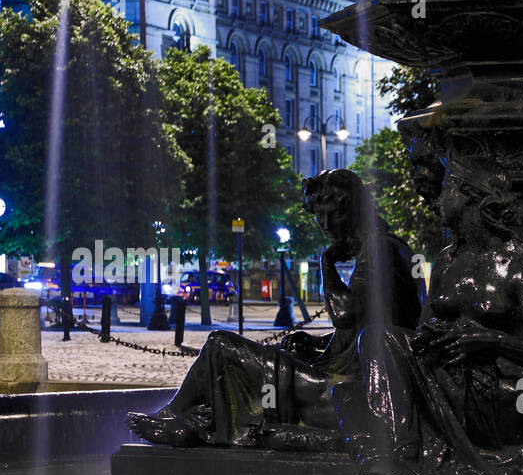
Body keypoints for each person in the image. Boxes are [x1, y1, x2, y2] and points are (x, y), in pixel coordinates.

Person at [125, 169, 420, 449]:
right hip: (356, 384)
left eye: (335, 214)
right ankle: (191, 423)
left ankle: (175, 418)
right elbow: (366, 328)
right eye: (320, 217)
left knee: (221, 344)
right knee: (245, 361)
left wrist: (326, 262)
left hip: (348, 393)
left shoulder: (379, 250)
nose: (327, 226)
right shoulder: (390, 247)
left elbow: (346, 314)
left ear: (356, 210)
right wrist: (317, 344)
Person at [334, 160, 523, 475]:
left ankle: (395, 458)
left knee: (374, 360)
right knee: (350, 386)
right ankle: (394, 457)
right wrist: (427, 337)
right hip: (443, 377)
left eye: (446, 189)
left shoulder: (522, 264)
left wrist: (489, 340)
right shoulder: (448, 260)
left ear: (471, 196)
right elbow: (423, 329)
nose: (438, 200)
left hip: (491, 393)